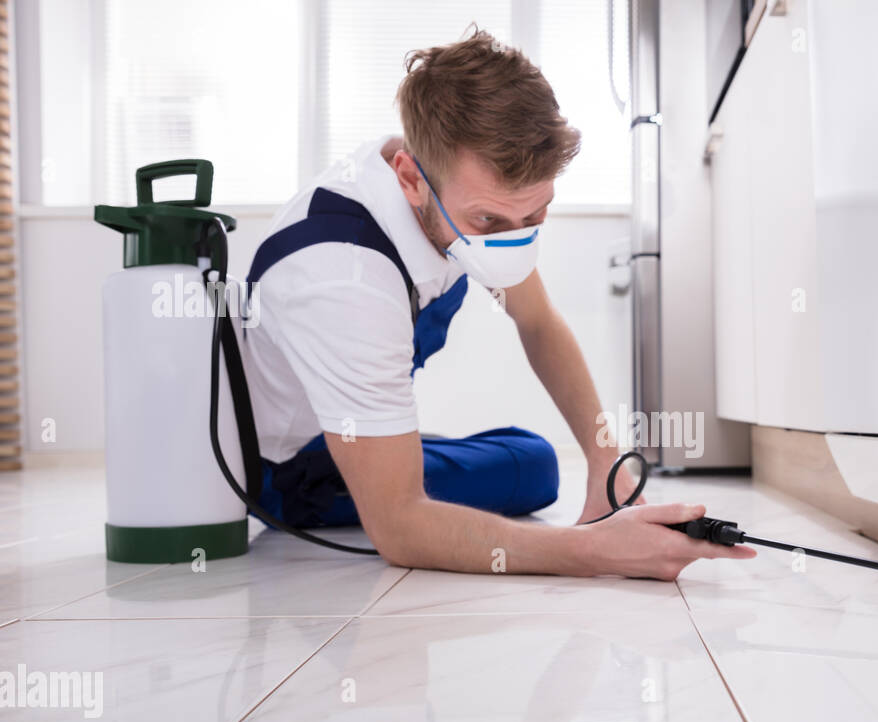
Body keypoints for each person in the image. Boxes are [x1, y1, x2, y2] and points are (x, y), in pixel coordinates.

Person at [241, 28, 755, 579]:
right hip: (288, 468)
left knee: (534, 455)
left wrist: (606, 458)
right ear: (411, 180)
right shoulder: (343, 278)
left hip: (346, 420)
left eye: (535, 215)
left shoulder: (446, 178)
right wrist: (593, 550)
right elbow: (398, 528)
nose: (513, 238)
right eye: (489, 221)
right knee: (522, 472)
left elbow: (536, 322)